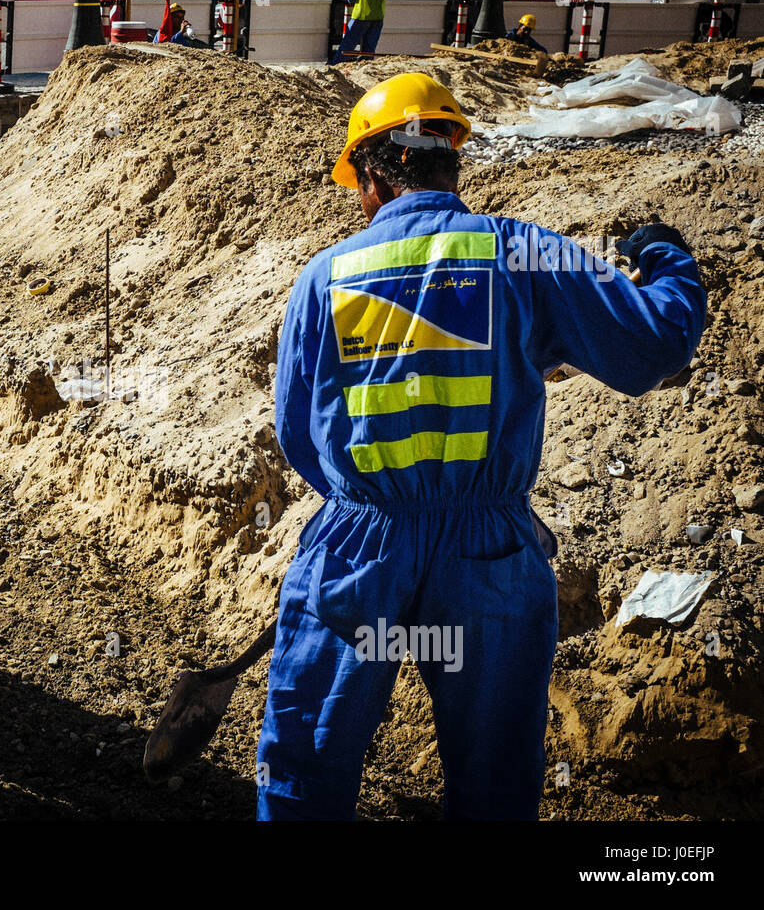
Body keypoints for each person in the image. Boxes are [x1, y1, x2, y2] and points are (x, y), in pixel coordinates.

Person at [259, 73, 705, 820]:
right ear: (450, 161)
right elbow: (652, 348)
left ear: (370, 175)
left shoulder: (322, 278)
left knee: (308, 761)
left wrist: (367, 501)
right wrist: (665, 258)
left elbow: (299, 433)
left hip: (359, 547)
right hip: (491, 554)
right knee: (495, 773)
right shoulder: (522, 254)